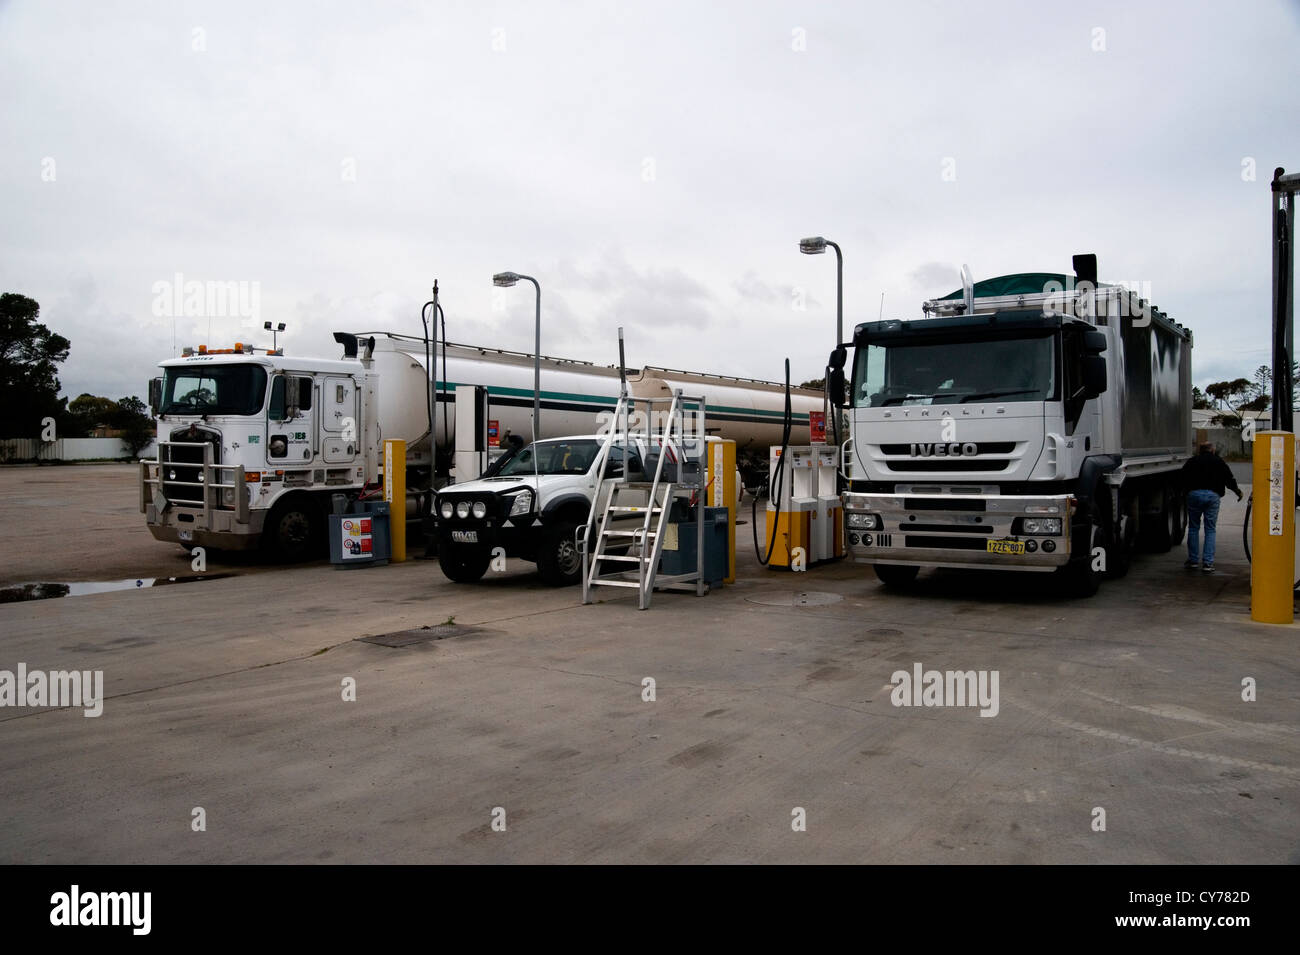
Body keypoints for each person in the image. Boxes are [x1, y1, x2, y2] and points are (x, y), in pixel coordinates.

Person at [1180, 441, 1242, 573]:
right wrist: (1237, 491)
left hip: (1194, 495)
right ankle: (1208, 563)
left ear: (1200, 450)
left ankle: (1193, 561)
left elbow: (1181, 477)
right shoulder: (1219, 461)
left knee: (1193, 528)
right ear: (1212, 450)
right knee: (1210, 529)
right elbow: (1228, 478)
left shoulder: (1192, 461)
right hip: (1212, 496)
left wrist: (1183, 493)